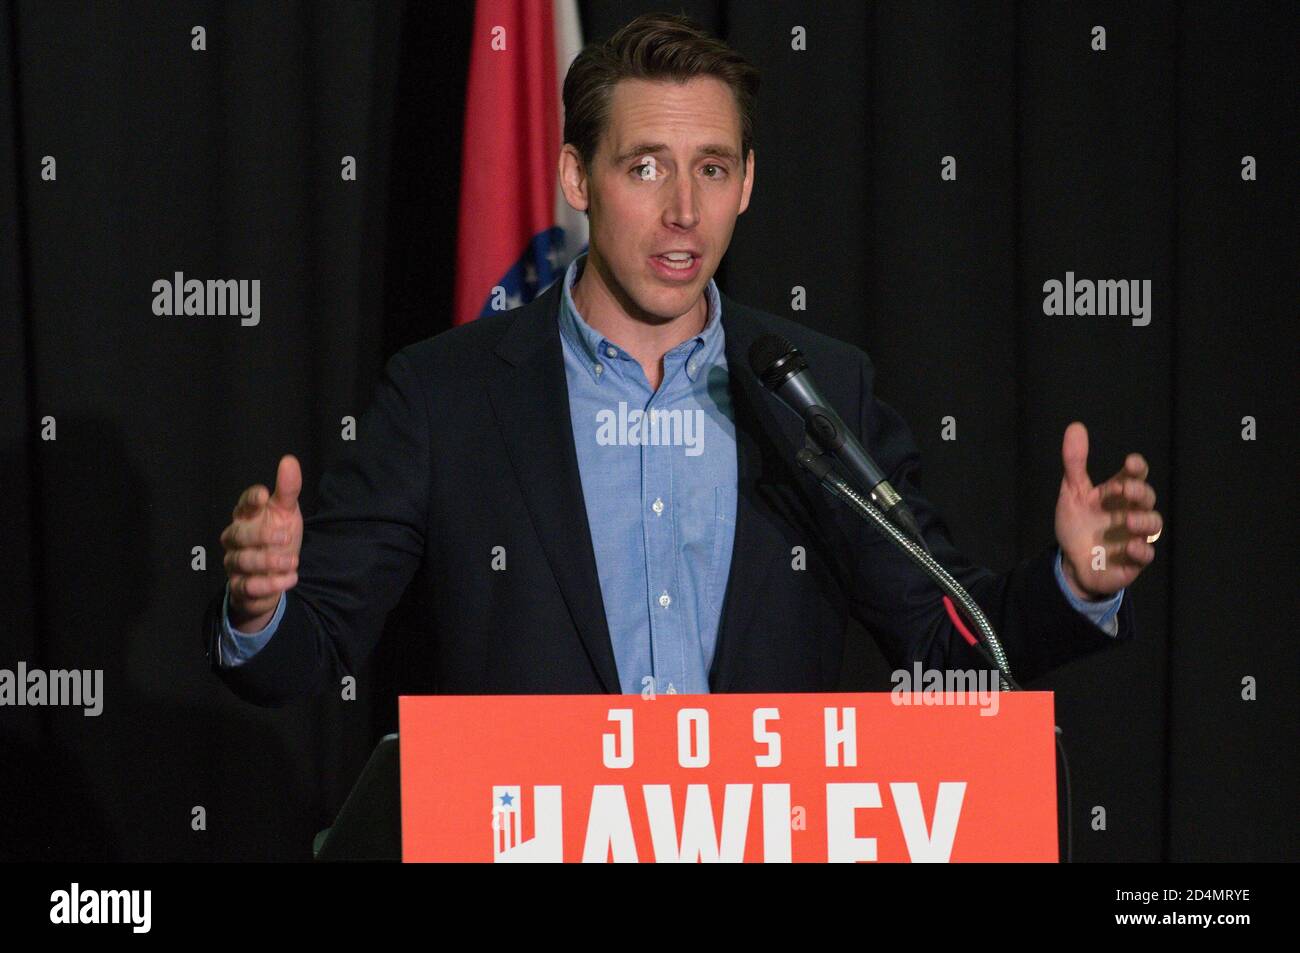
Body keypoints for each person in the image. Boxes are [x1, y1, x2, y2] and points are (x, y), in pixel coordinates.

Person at [205, 13, 1161, 705]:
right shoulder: (445, 395)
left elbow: (948, 645)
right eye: (644, 165)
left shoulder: (815, 389)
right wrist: (261, 606)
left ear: (746, 183)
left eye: (710, 167)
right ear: (577, 177)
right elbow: (307, 657)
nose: (682, 211)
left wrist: (1074, 583)